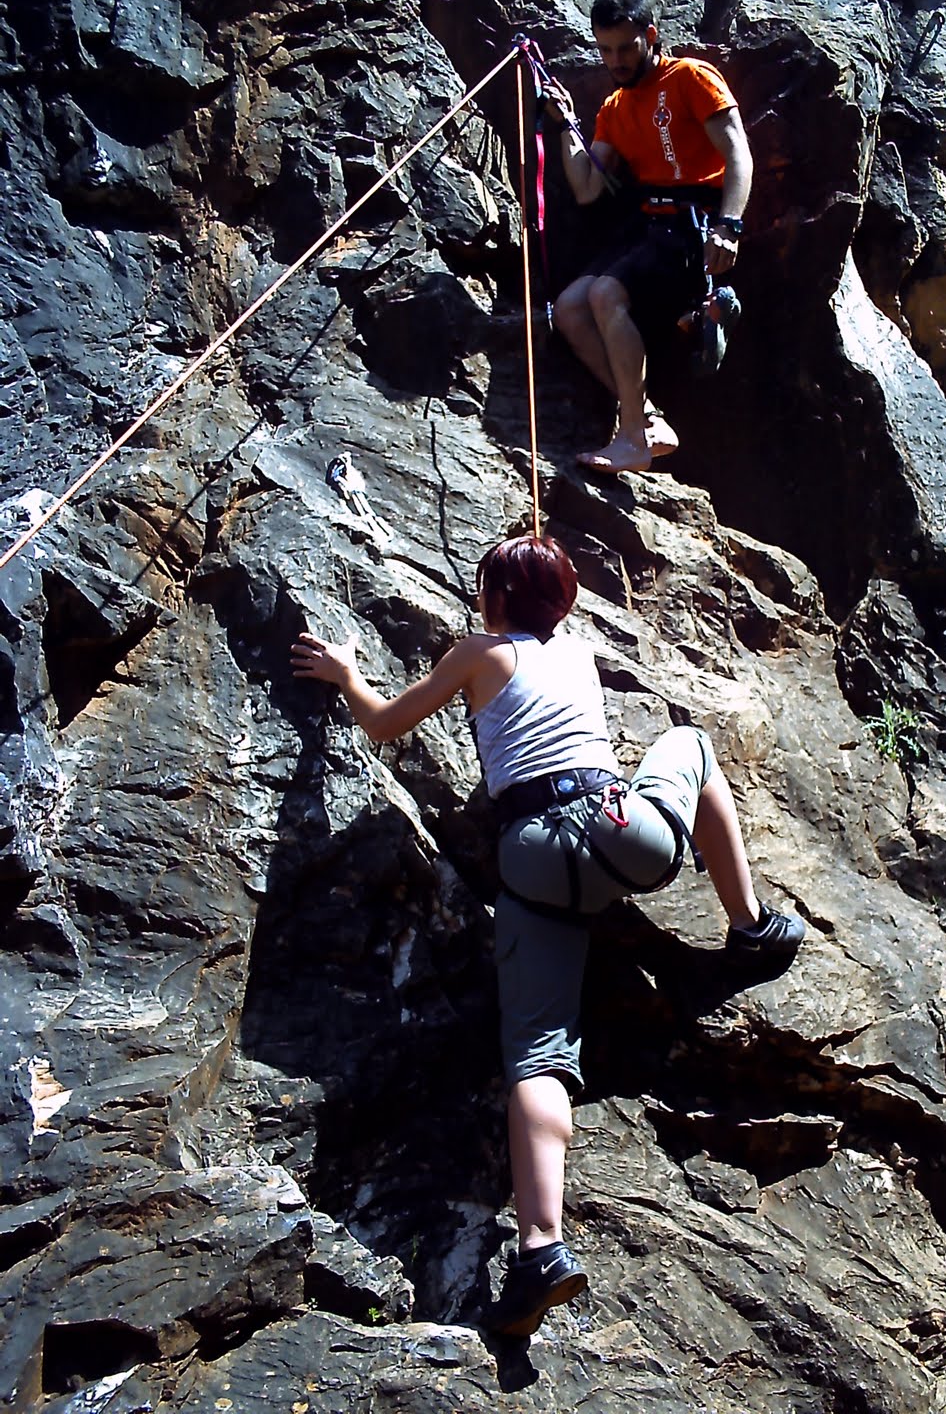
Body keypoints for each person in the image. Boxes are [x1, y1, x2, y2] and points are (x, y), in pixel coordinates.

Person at [291, 534, 804, 1335]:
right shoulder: (575, 653)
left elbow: (388, 726)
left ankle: (542, 1248)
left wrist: (346, 674)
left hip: (532, 856)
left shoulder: (478, 652)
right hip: (620, 829)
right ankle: (750, 927)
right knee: (694, 746)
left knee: (536, 1053)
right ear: (562, 605)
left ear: (495, 599)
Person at [545, 0, 753, 474]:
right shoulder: (615, 109)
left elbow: (737, 153)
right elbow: (587, 187)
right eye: (606, 49)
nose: (615, 60)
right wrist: (565, 124)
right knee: (571, 308)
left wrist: (730, 225)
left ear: (650, 35)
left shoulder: (690, 77)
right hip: (648, 229)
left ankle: (632, 436)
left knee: (604, 296)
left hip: (692, 225)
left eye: (625, 47)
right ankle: (650, 420)